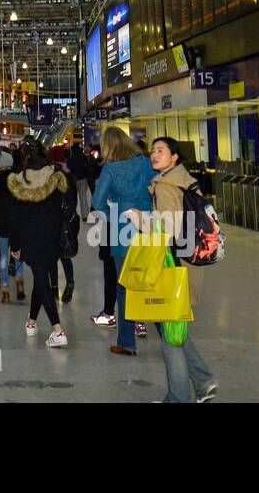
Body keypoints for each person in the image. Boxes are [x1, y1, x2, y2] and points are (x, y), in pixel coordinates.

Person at [148, 136, 217, 403]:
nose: (154, 155)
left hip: (172, 266)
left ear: (174, 157)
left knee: (170, 337)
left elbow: (168, 229)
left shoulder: (166, 186)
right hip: (189, 262)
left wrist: (140, 218)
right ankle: (203, 380)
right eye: (153, 150)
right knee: (177, 330)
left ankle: (178, 397)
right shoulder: (185, 180)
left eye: (161, 151)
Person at [88, 127, 155, 356]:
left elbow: (97, 203)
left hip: (121, 235)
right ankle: (169, 336)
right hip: (148, 230)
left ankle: (127, 343)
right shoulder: (146, 164)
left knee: (124, 288)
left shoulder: (109, 170)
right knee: (151, 283)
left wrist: (115, 217)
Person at [7, 139, 70, 348]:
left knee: (40, 279)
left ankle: (58, 330)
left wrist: (14, 246)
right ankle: (32, 322)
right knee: (41, 278)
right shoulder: (56, 177)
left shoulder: (18, 182)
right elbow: (66, 208)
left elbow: (15, 218)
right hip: (51, 237)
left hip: (29, 238)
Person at [0, 147, 25, 304]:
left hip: (2, 221)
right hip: (17, 221)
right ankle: (20, 280)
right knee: (17, 252)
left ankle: (5, 291)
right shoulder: (18, 179)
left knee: (3, 254)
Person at [47, 145, 79, 303]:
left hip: (53, 222)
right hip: (69, 221)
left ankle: (54, 288)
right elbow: (74, 201)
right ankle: (70, 281)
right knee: (65, 256)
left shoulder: (51, 177)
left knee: (52, 256)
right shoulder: (69, 177)